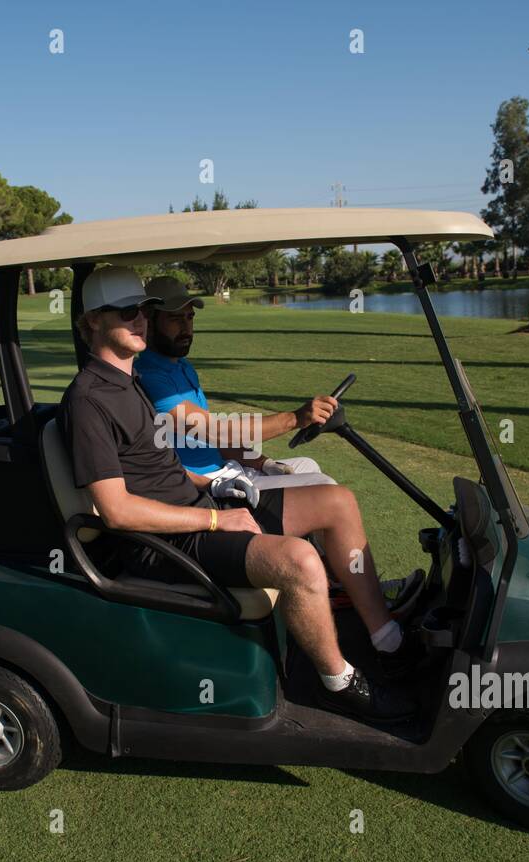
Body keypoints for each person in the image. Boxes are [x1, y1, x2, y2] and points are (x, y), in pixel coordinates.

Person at [59, 266, 421, 723]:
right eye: (127, 311)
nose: (140, 320)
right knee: (300, 561)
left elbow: (162, 469)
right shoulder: (89, 399)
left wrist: (219, 483)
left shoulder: (128, 383)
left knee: (336, 501)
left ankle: (386, 639)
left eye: (144, 311)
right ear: (93, 320)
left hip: (197, 511)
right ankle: (338, 684)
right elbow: (116, 509)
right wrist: (216, 518)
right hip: (165, 544)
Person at [134, 275, 334, 490]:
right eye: (175, 319)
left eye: (189, 317)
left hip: (228, 468)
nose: (186, 328)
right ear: (148, 321)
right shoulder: (150, 377)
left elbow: (214, 441)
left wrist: (263, 463)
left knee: (309, 465)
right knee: (325, 487)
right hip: (209, 485)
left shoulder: (183, 367)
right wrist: (294, 419)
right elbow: (217, 432)